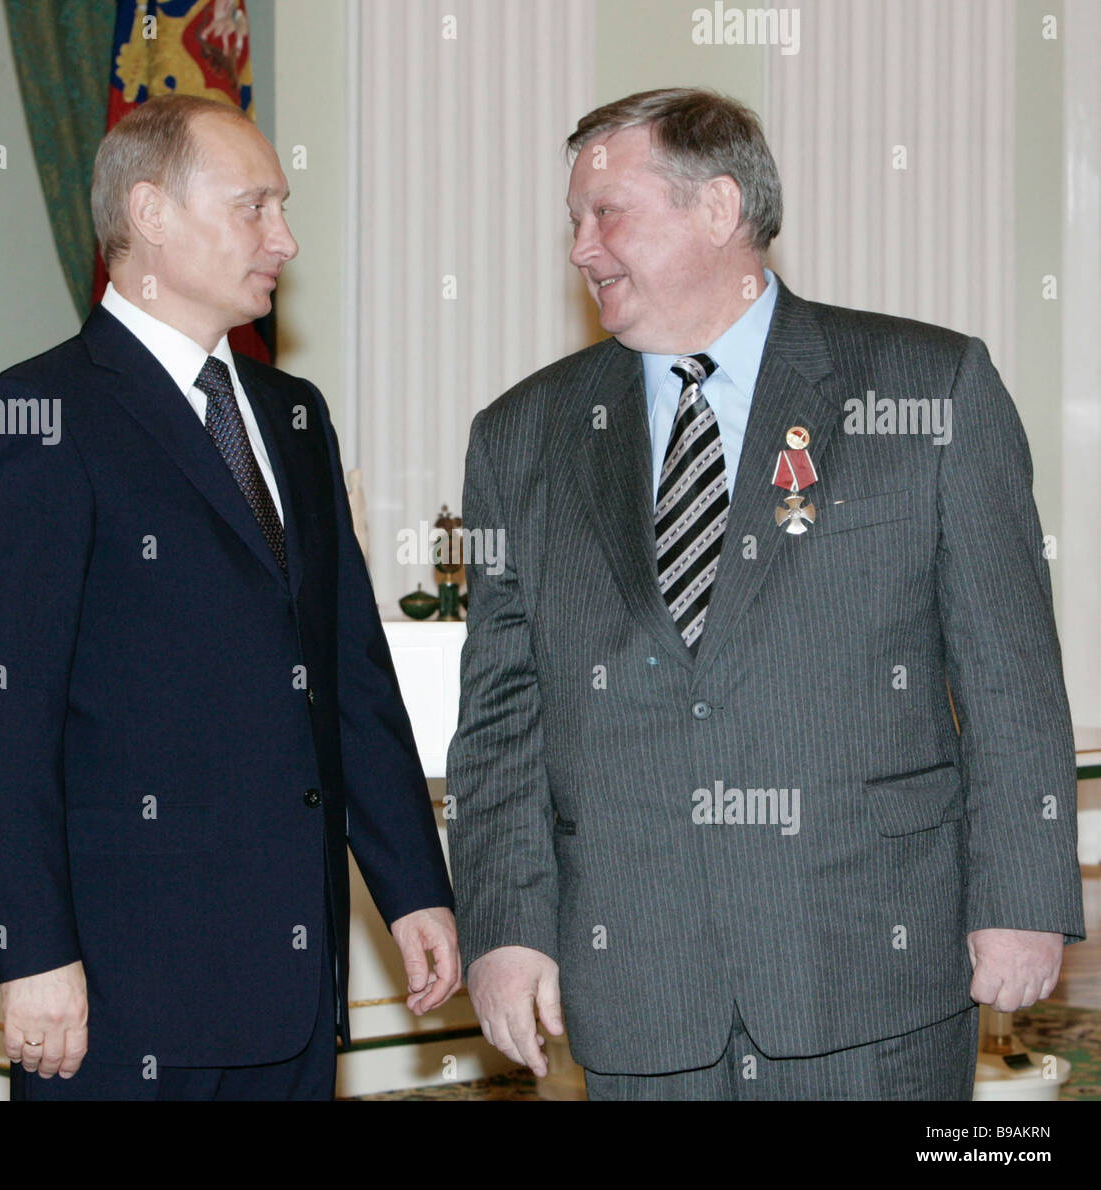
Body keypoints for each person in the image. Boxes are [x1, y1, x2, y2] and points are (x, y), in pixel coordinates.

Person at [446, 87, 1084, 1101]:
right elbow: (499, 722)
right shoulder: (522, 436)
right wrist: (505, 930)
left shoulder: (927, 388)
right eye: (574, 219)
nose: (580, 247)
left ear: (717, 209)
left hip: (870, 972)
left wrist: (1020, 894)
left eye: (606, 212)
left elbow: (1009, 669)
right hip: (640, 993)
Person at [0, 94, 459, 1101]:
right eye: (254, 206)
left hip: (294, 987)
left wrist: (410, 887)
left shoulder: (292, 414)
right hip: (121, 993)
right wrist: (30, 952)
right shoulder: (32, 417)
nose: (285, 238)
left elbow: (349, 671)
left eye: (284, 207)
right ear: (151, 214)